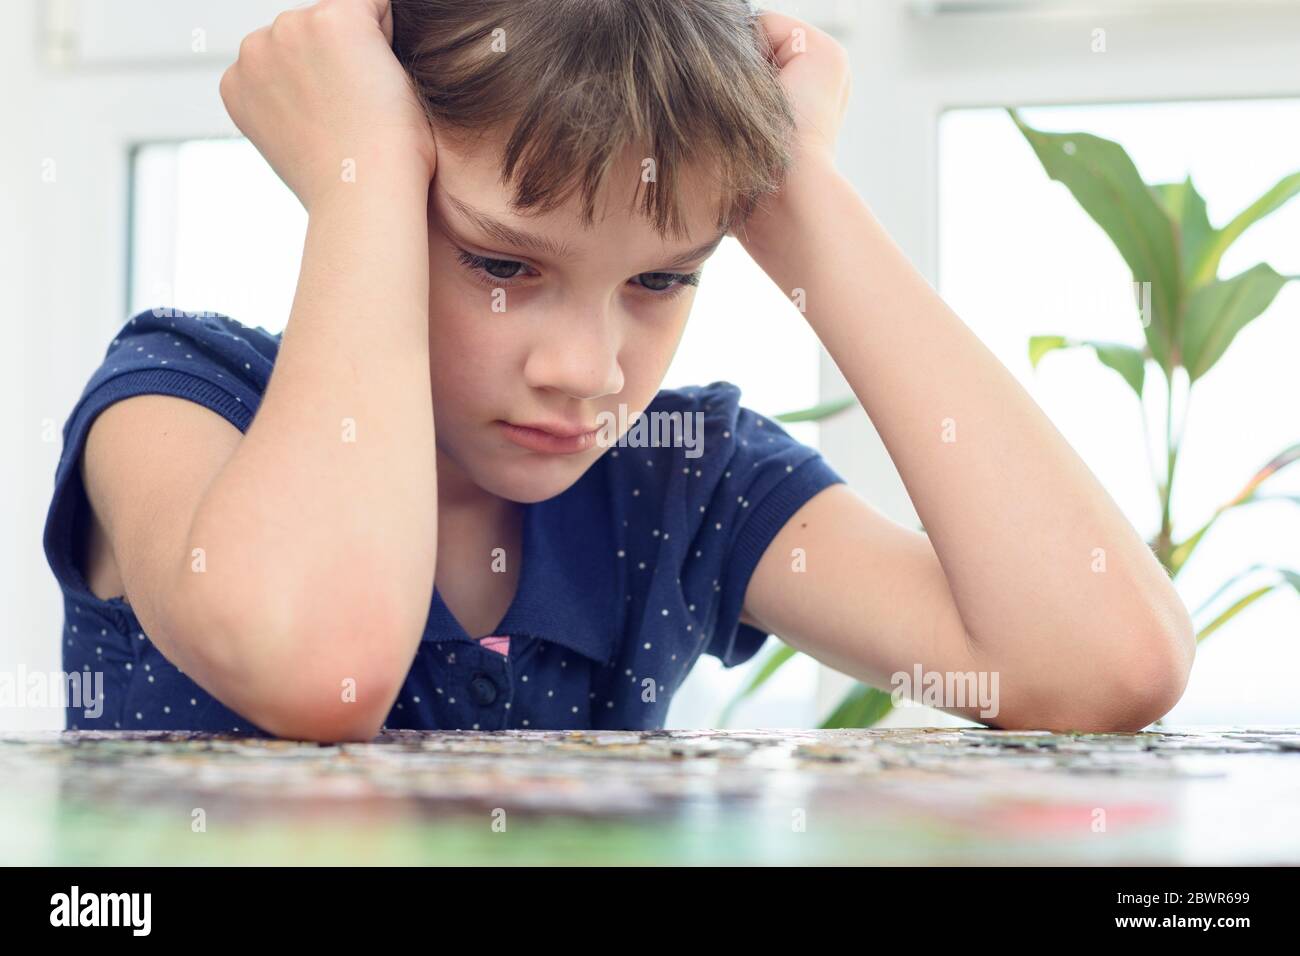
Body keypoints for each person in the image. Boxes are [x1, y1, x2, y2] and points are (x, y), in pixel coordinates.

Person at [43, 0, 1193, 741]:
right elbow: (319, 665)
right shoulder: (178, 397)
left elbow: (1105, 663)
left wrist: (799, 201)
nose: (586, 371)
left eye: (662, 280)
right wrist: (360, 176)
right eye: (502, 260)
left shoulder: (679, 478)